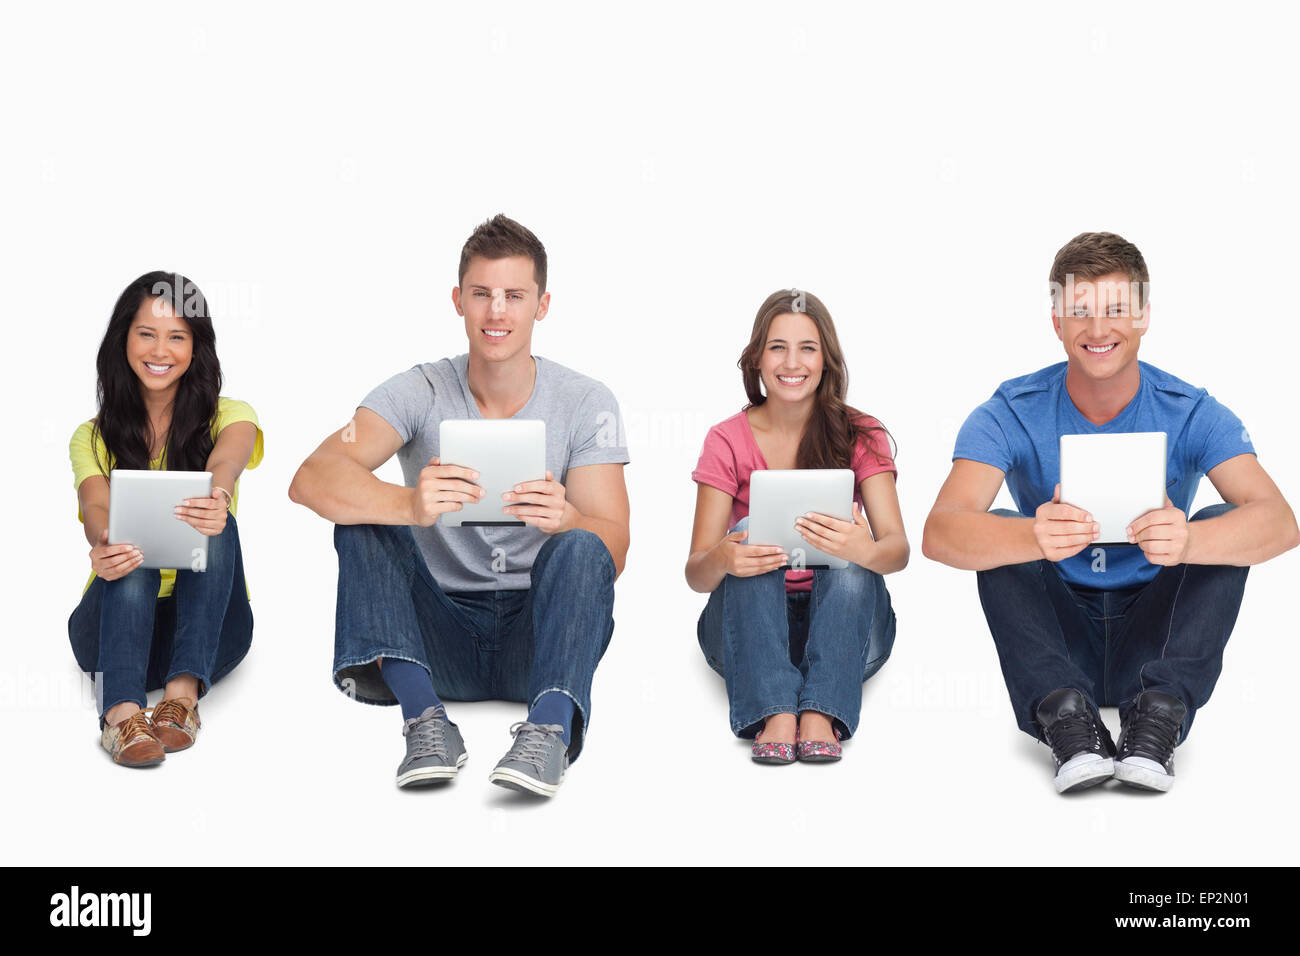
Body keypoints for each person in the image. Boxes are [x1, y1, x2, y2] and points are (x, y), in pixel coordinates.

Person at [922, 232, 1299, 793]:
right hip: (1059, 637)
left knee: (1223, 520)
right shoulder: (1009, 411)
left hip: (1157, 637)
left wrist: (1191, 542)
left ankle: (1157, 716)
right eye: (1080, 312)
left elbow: (1280, 523)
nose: (1098, 330)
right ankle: (1067, 716)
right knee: (999, 529)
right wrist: (1033, 536)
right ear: (1057, 321)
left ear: (1144, 316)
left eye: (1116, 310)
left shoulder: (1192, 410)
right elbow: (940, 532)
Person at [289, 215, 630, 797]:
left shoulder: (586, 401)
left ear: (542, 305)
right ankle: (426, 722)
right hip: (435, 637)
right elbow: (310, 479)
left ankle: (549, 728)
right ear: (458, 301)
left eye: (514, 295)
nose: (497, 311)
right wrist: (409, 503)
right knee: (363, 522)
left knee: (582, 544)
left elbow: (614, 552)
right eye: (481, 294)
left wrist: (570, 519)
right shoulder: (418, 389)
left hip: (541, 640)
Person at [686, 289, 908, 764]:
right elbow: (697, 574)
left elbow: (897, 550)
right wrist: (724, 556)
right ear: (757, 359)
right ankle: (776, 710)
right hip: (748, 633)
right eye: (777, 347)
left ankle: (822, 710)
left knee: (853, 553)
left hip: (847, 631)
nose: (792, 362)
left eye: (807, 348)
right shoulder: (725, 439)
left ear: (826, 360)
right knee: (750, 530)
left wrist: (865, 548)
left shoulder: (861, 432)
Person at [68, 271, 263, 767]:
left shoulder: (231, 414)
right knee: (132, 537)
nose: (160, 350)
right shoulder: (91, 436)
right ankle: (121, 714)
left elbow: (228, 461)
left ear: (196, 347)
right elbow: (95, 504)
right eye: (146, 334)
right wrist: (104, 539)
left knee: (218, 522)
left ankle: (181, 697)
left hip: (205, 632)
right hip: (112, 627)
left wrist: (218, 493)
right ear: (124, 339)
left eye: (177, 336)